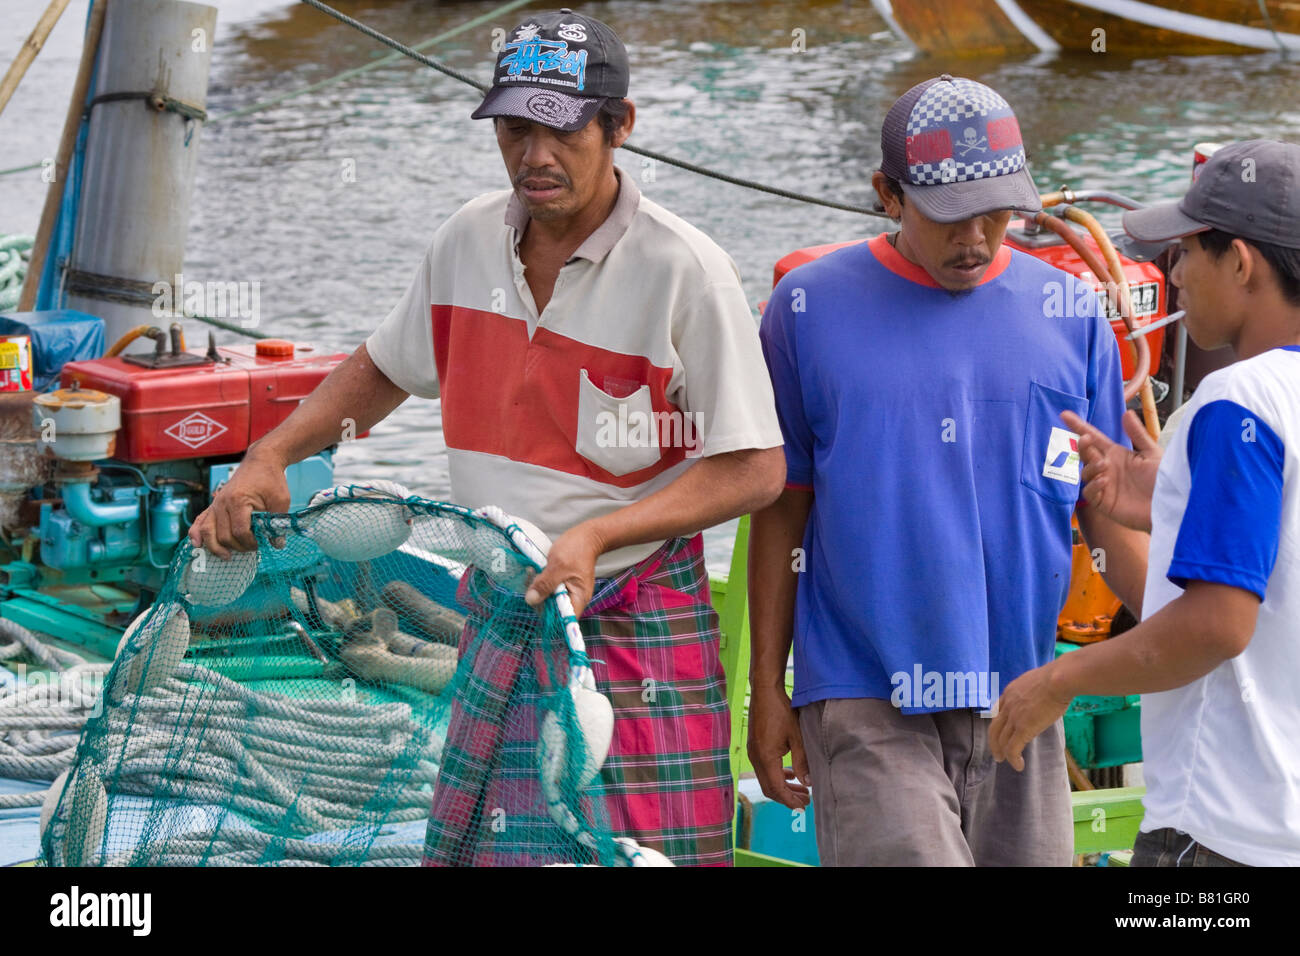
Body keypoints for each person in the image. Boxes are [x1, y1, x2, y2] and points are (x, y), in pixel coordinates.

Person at [189, 8, 785, 866]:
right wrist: (270, 455)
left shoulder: (683, 270)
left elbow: (757, 469)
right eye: (513, 129)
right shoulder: (467, 240)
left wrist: (599, 533)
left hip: (631, 613)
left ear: (619, 126)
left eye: (561, 128)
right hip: (505, 604)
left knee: (649, 851)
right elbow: (385, 369)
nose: (533, 156)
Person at [748, 75, 1149, 866]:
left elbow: (1100, 507)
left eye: (998, 212)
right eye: (950, 215)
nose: (977, 237)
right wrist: (768, 686)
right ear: (886, 195)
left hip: (1022, 694)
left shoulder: (1072, 316)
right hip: (865, 691)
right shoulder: (806, 311)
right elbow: (782, 507)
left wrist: (1196, 632)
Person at [990, 139, 1300, 868]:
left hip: (1219, 830)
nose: (1173, 274)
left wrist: (1055, 681)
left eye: (1187, 252)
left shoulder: (1237, 400)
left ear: (1242, 262)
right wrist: (1176, 504)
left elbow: (1218, 625)